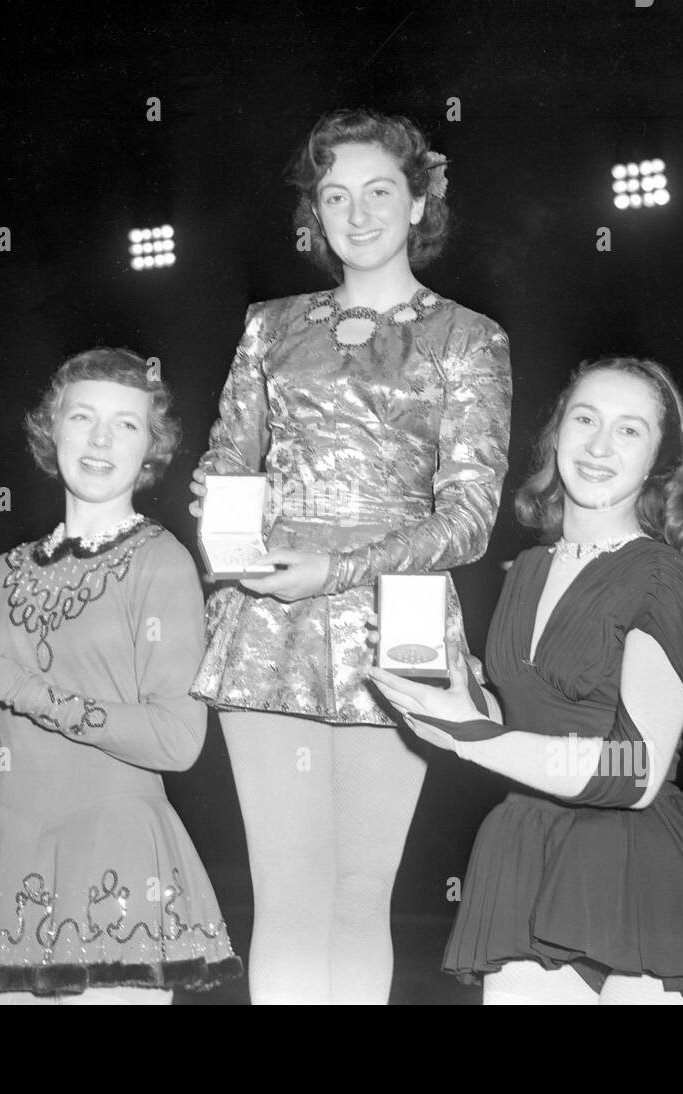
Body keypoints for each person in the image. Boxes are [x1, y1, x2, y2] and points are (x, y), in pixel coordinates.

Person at [188, 109, 512, 1004]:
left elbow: (471, 518)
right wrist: (228, 530)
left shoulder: (470, 339)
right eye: (336, 195)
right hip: (268, 626)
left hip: (394, 626)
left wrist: (335, 568)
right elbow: (224, 465)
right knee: (286, 895)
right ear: (315, 213)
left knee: (362, 893)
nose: (357, 214)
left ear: (419, 204)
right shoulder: (270, 326)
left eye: (379, 193)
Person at [368, 356, 683, 1005]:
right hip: (526, 851)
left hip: (640, 868)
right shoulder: (526, 568)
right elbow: (526, 720)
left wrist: (468, 738)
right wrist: (468, 701)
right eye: (586, 418)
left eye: (630, 430)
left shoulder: (665, 577)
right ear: (555, 434)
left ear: (661, 463)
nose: (600, 445)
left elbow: (634, 773)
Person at [0, 348, 242, 1005]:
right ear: (51, 429)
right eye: (83, 417)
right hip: (4, 851)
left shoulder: (161, 562)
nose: (102, 439)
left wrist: (21, 687)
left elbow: (178, 739)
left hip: (115, 856)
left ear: (152, 447)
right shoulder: (4, 572)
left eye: (127, 425)